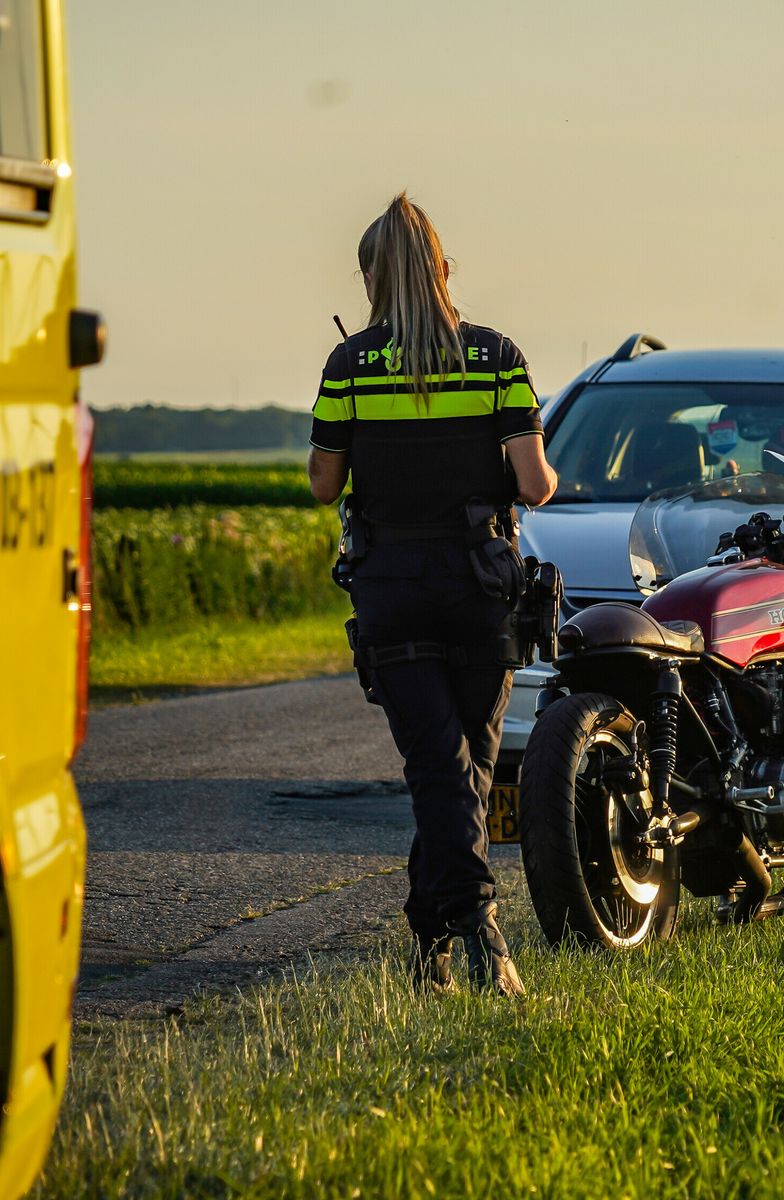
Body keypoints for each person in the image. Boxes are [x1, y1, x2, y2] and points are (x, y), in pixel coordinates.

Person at [307, 193, 557, 997]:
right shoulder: (497, 359)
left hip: (391, 589)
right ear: (444, 270)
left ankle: (435, 945)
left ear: (373, 277)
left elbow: (322, 484)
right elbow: (535, 485)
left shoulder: (348, 367)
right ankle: (480, 930)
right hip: (480, 588)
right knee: (463, 773)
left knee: (442, 774)